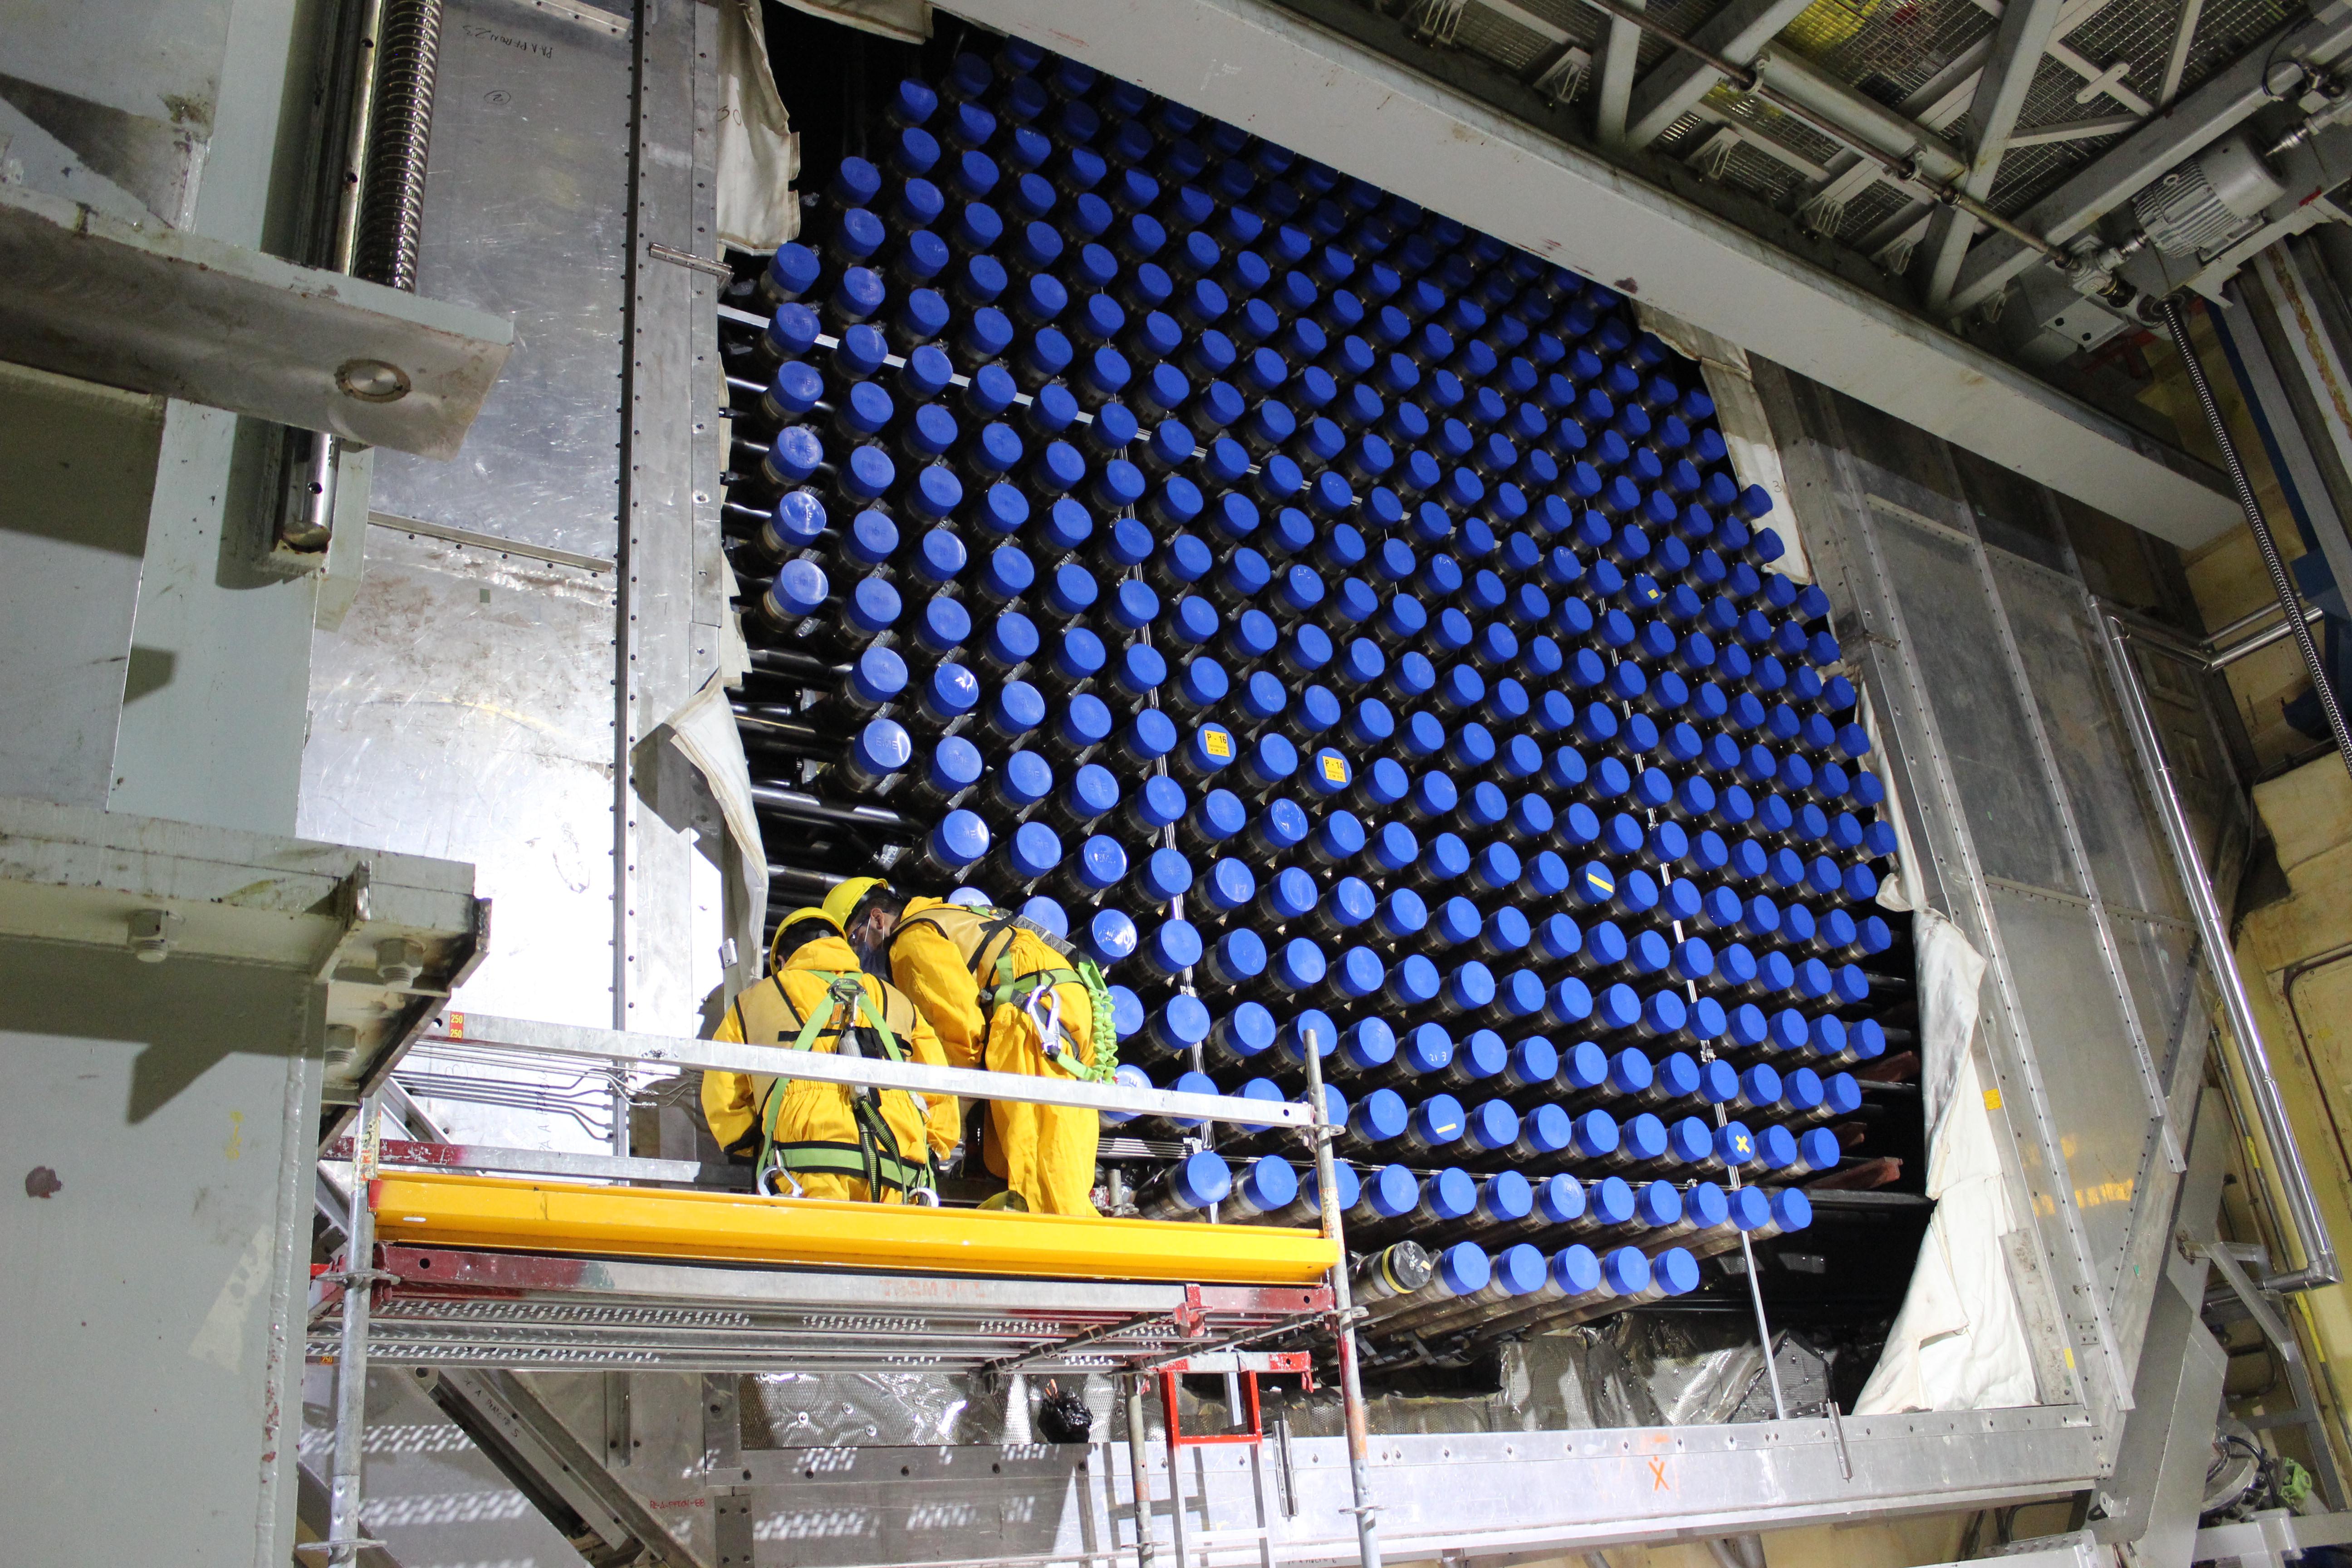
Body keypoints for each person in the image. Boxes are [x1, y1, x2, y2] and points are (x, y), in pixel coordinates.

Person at [824, 876, 1114, 1216]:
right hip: (1055, 1011)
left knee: (1043, 1170)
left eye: (857, 940)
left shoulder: (911, 940)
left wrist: (946, 1112)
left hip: (1030, 1019)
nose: (862, 955)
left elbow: (961, 1031)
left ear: (877, 919)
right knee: (1046, 1153)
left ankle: (1067, 1257)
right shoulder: (944, 915)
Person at [701, 904, 961, 1204]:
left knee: (822, 1246)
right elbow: (940, 1085)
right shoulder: (898, 1000)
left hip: (807, 1158)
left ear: (783, 961)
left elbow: (723, 1092)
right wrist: (933, 1146)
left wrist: (750, 1142)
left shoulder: (754, 1001)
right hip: (898, 1159)